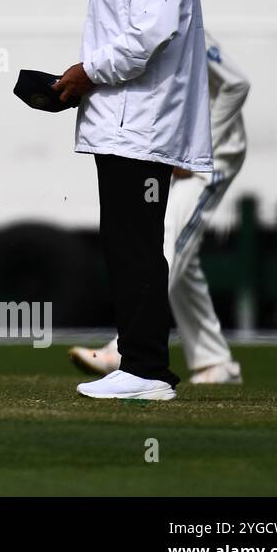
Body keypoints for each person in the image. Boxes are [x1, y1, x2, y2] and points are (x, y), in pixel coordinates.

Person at [53, 0, 212, 400]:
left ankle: (146, 371)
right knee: (126, 240)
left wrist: (85, 73)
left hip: (141, 124)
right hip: (127, 121)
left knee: (135, 242)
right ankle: (138, 361)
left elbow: (148, 33)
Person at [69, 30, 249, 384]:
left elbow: (237, 85)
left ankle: (125, 349)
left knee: (167, 241)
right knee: (183, 253)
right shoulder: (139, 31)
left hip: (212, 159)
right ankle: (215, 361)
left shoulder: (186, 30)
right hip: (186, 154)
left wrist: (204, 146)